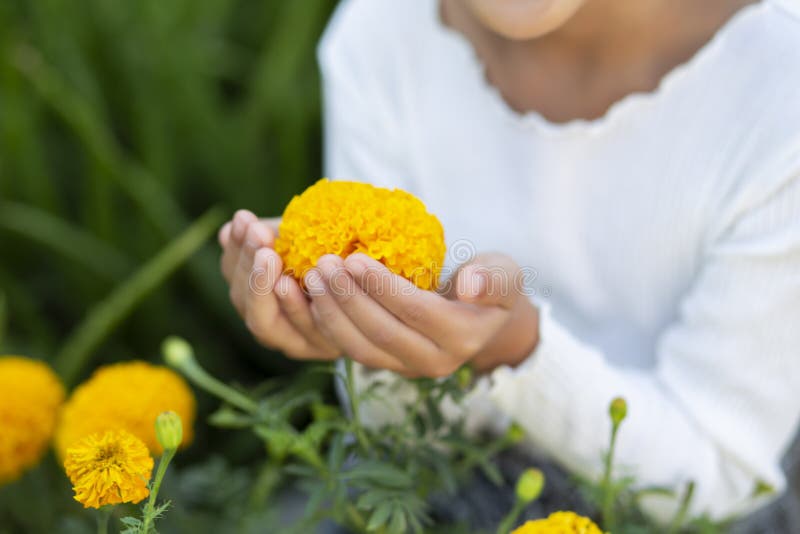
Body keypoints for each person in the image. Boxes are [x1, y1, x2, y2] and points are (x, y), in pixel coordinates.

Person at [218, 0, 800, 527]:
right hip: (436, 479)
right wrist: (363, 340)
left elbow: (719, 480)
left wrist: (519, 352)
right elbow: (393, 437)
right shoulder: (381, 32)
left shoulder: (778, 88)